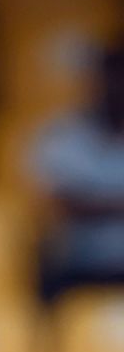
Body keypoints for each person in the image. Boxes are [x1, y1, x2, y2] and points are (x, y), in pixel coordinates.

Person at [32, 42, 124, 302]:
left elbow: (80, 202)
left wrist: (94, 201)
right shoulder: (61, 136)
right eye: (112, 80)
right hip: (80, 265)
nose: (118, 89)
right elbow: (61, 205)